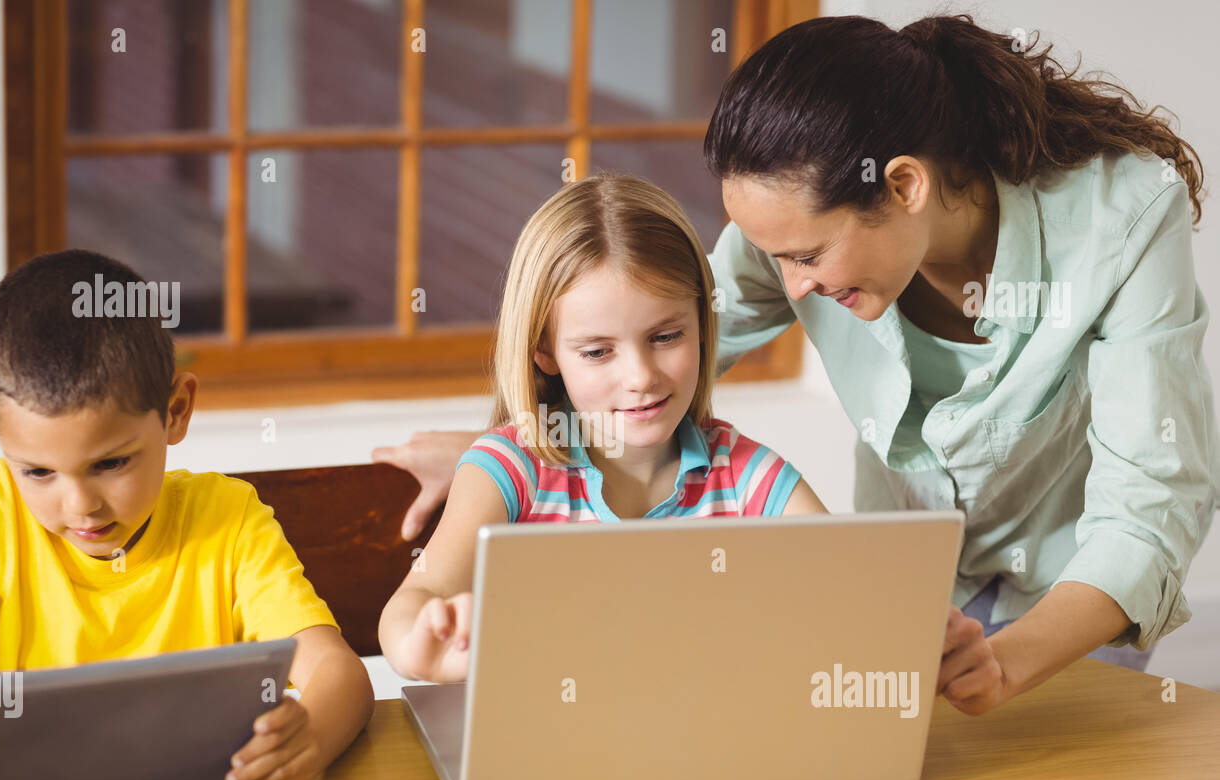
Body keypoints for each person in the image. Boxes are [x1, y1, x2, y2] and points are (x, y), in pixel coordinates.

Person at [374, 15, 1219, 716]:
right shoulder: (790, 227)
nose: (790, 285)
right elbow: (659, 335)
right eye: (771, 254)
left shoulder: (1121, 222)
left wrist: (1006, 662)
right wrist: (518, 437)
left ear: (904, 186)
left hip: (1069, 589)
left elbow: (1149, 506)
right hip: (906, 583)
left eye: (807, 255)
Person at [0, 249, 375, 780]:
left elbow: (339, 675)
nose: (80, 505)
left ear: (177, 410)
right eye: (38, 471)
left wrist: (310, 736)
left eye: (111, 464)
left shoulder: (228, 521)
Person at [377, 174, 828, 683]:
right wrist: (421, 645)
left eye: (666, 336)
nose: (640, 377)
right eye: (597, 351)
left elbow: (847, 582)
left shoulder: (747, 477)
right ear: (544, 352)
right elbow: (413, 601)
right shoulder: (511, 470)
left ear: (702, 325)